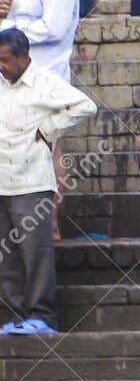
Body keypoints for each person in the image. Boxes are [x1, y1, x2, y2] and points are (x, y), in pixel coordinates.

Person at [0, 29, 96, 336]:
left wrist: (50, 128)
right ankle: (14, 317)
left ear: (23, 57)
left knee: (35, 254)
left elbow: (86, 106)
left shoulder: (45, 82)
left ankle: (41, 317)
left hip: (32, 183)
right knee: (8, 255)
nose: (1, 66)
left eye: (4, 60)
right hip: (2, 179)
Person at [1, 0, 80, 226]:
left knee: (49, 152)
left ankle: (53, 226)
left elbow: (53, 28)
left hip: (47, 80)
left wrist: (10, 25)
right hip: (15, 81)